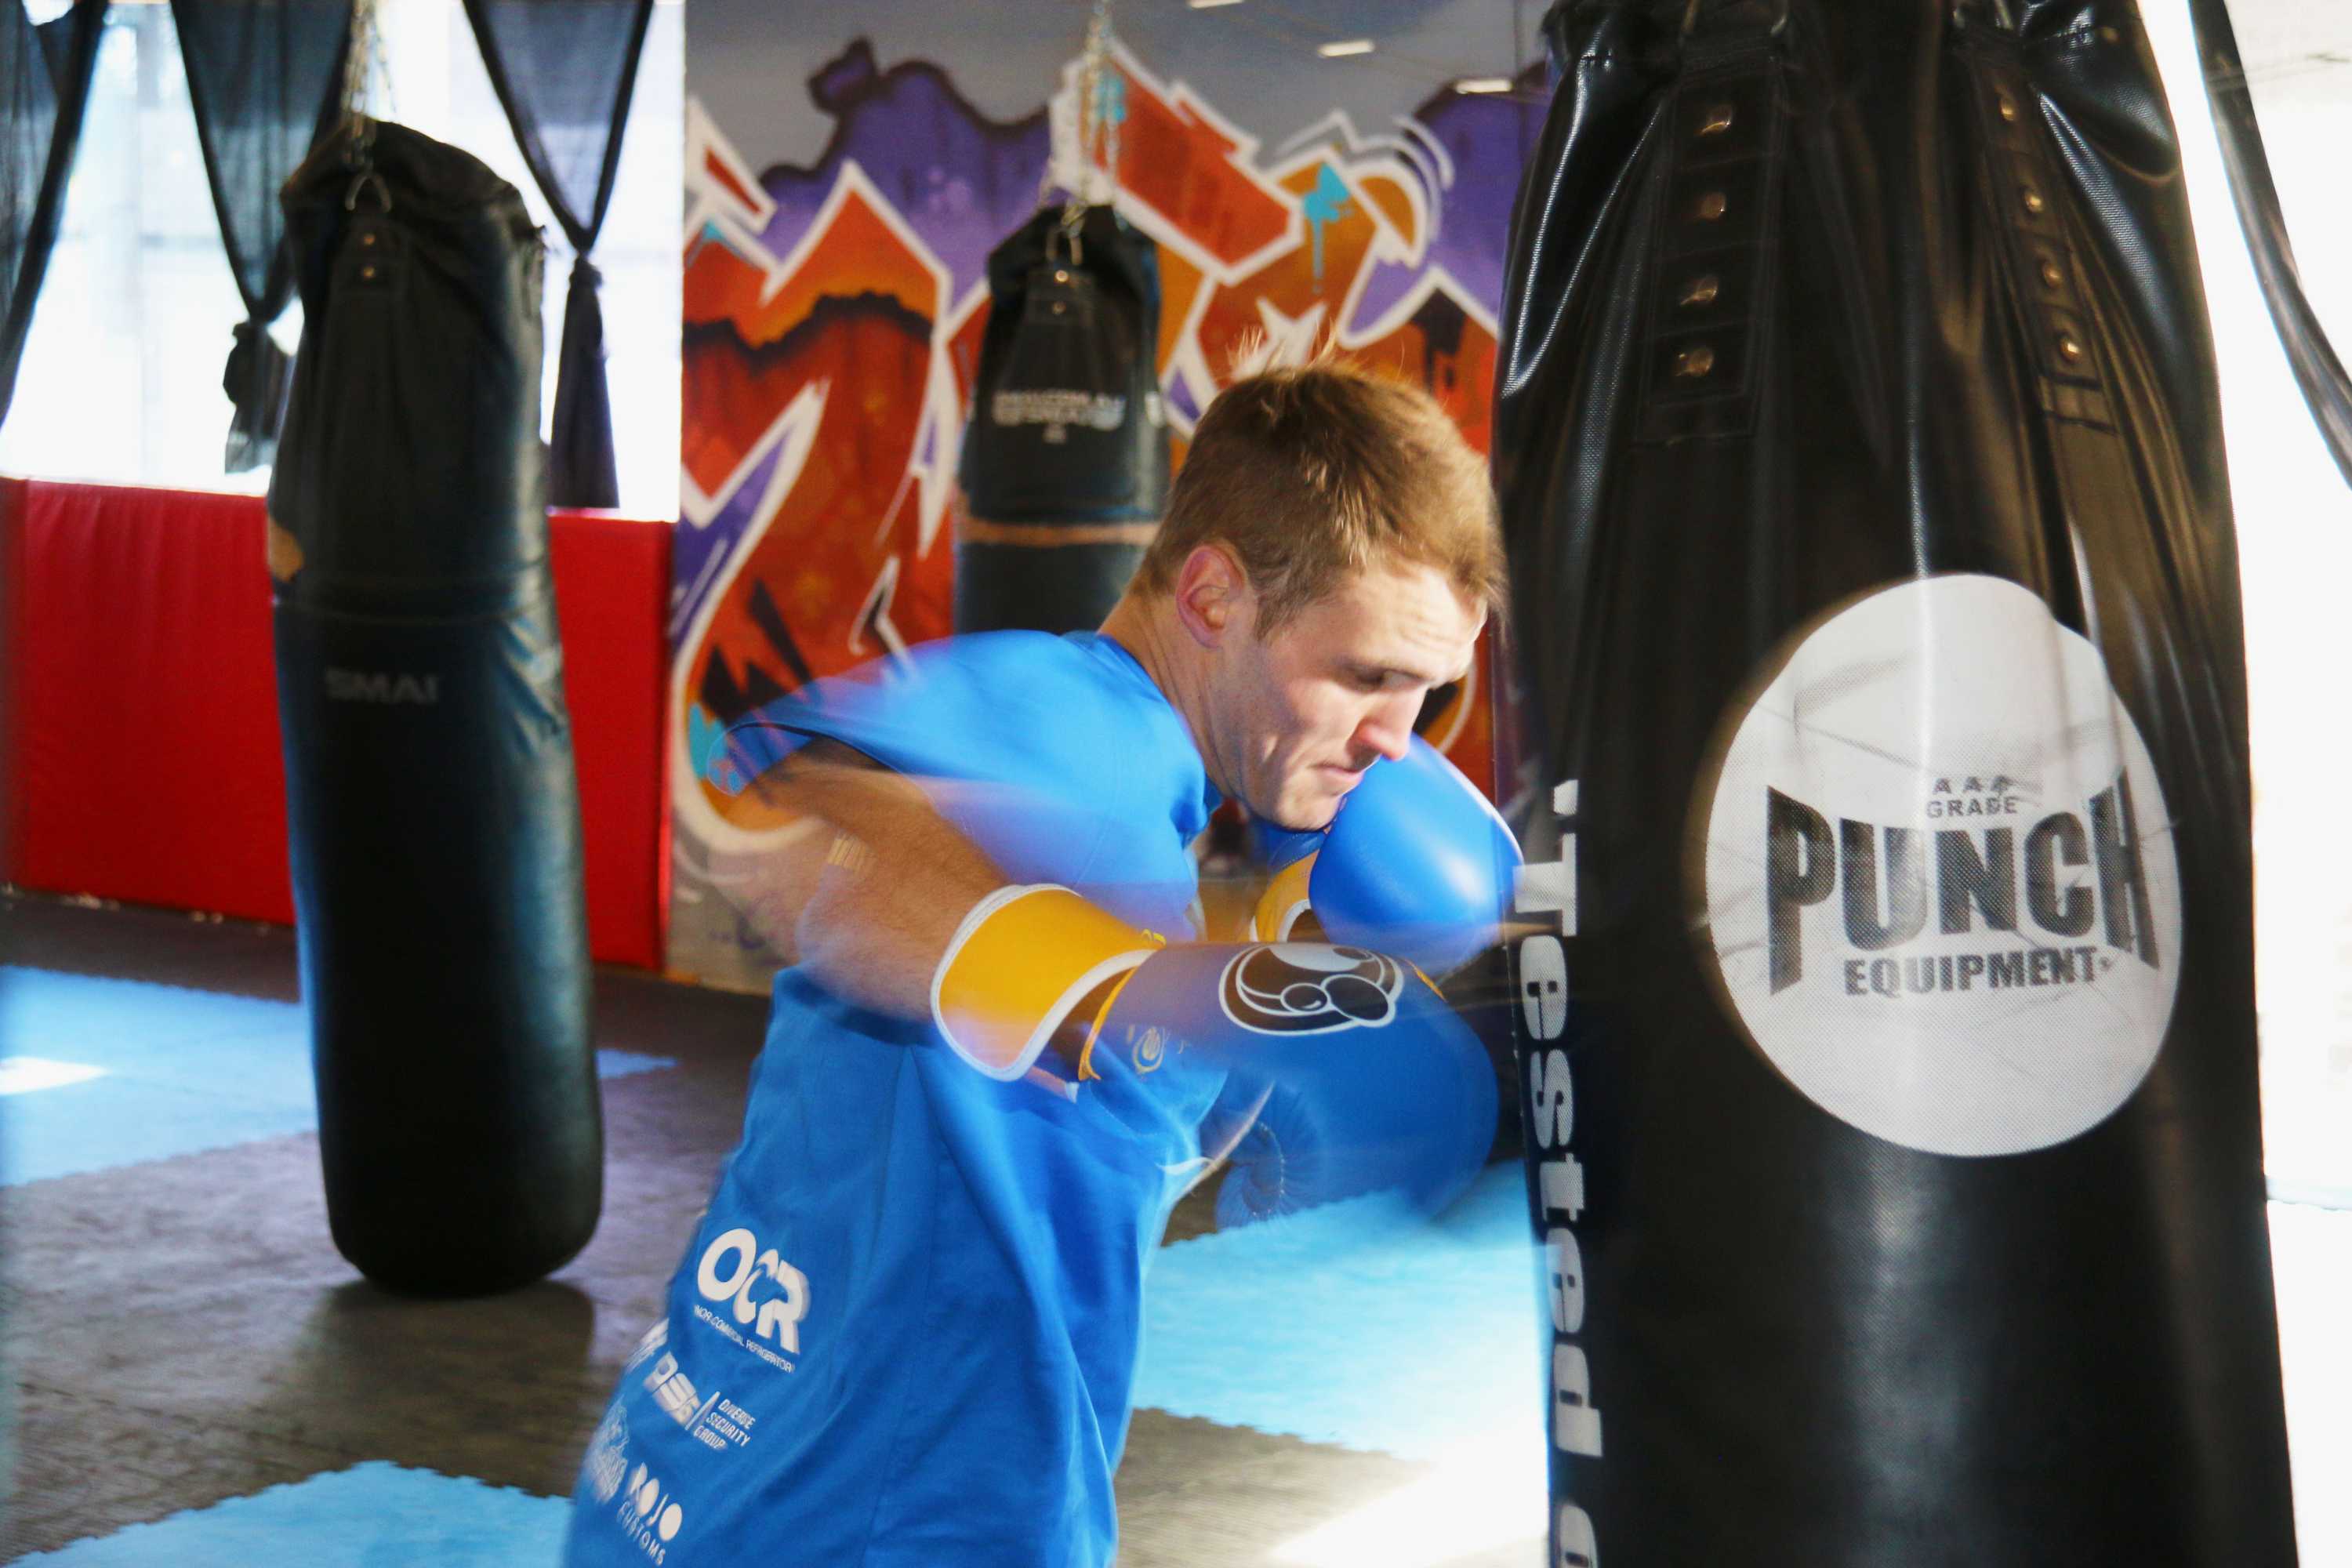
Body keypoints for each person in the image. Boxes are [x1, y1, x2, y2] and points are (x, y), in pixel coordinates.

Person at [564, 351, 1513, 1568]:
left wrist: (1280, 925)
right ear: (1216, 597)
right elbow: (809, 844)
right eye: (1367, 676)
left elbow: (1105, 1101)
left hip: (802, 1480)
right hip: (853, 1518)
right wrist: (1201, 994)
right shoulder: (1064, 721)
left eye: (1429, 696)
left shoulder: (1171, 817)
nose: (1399, 741)